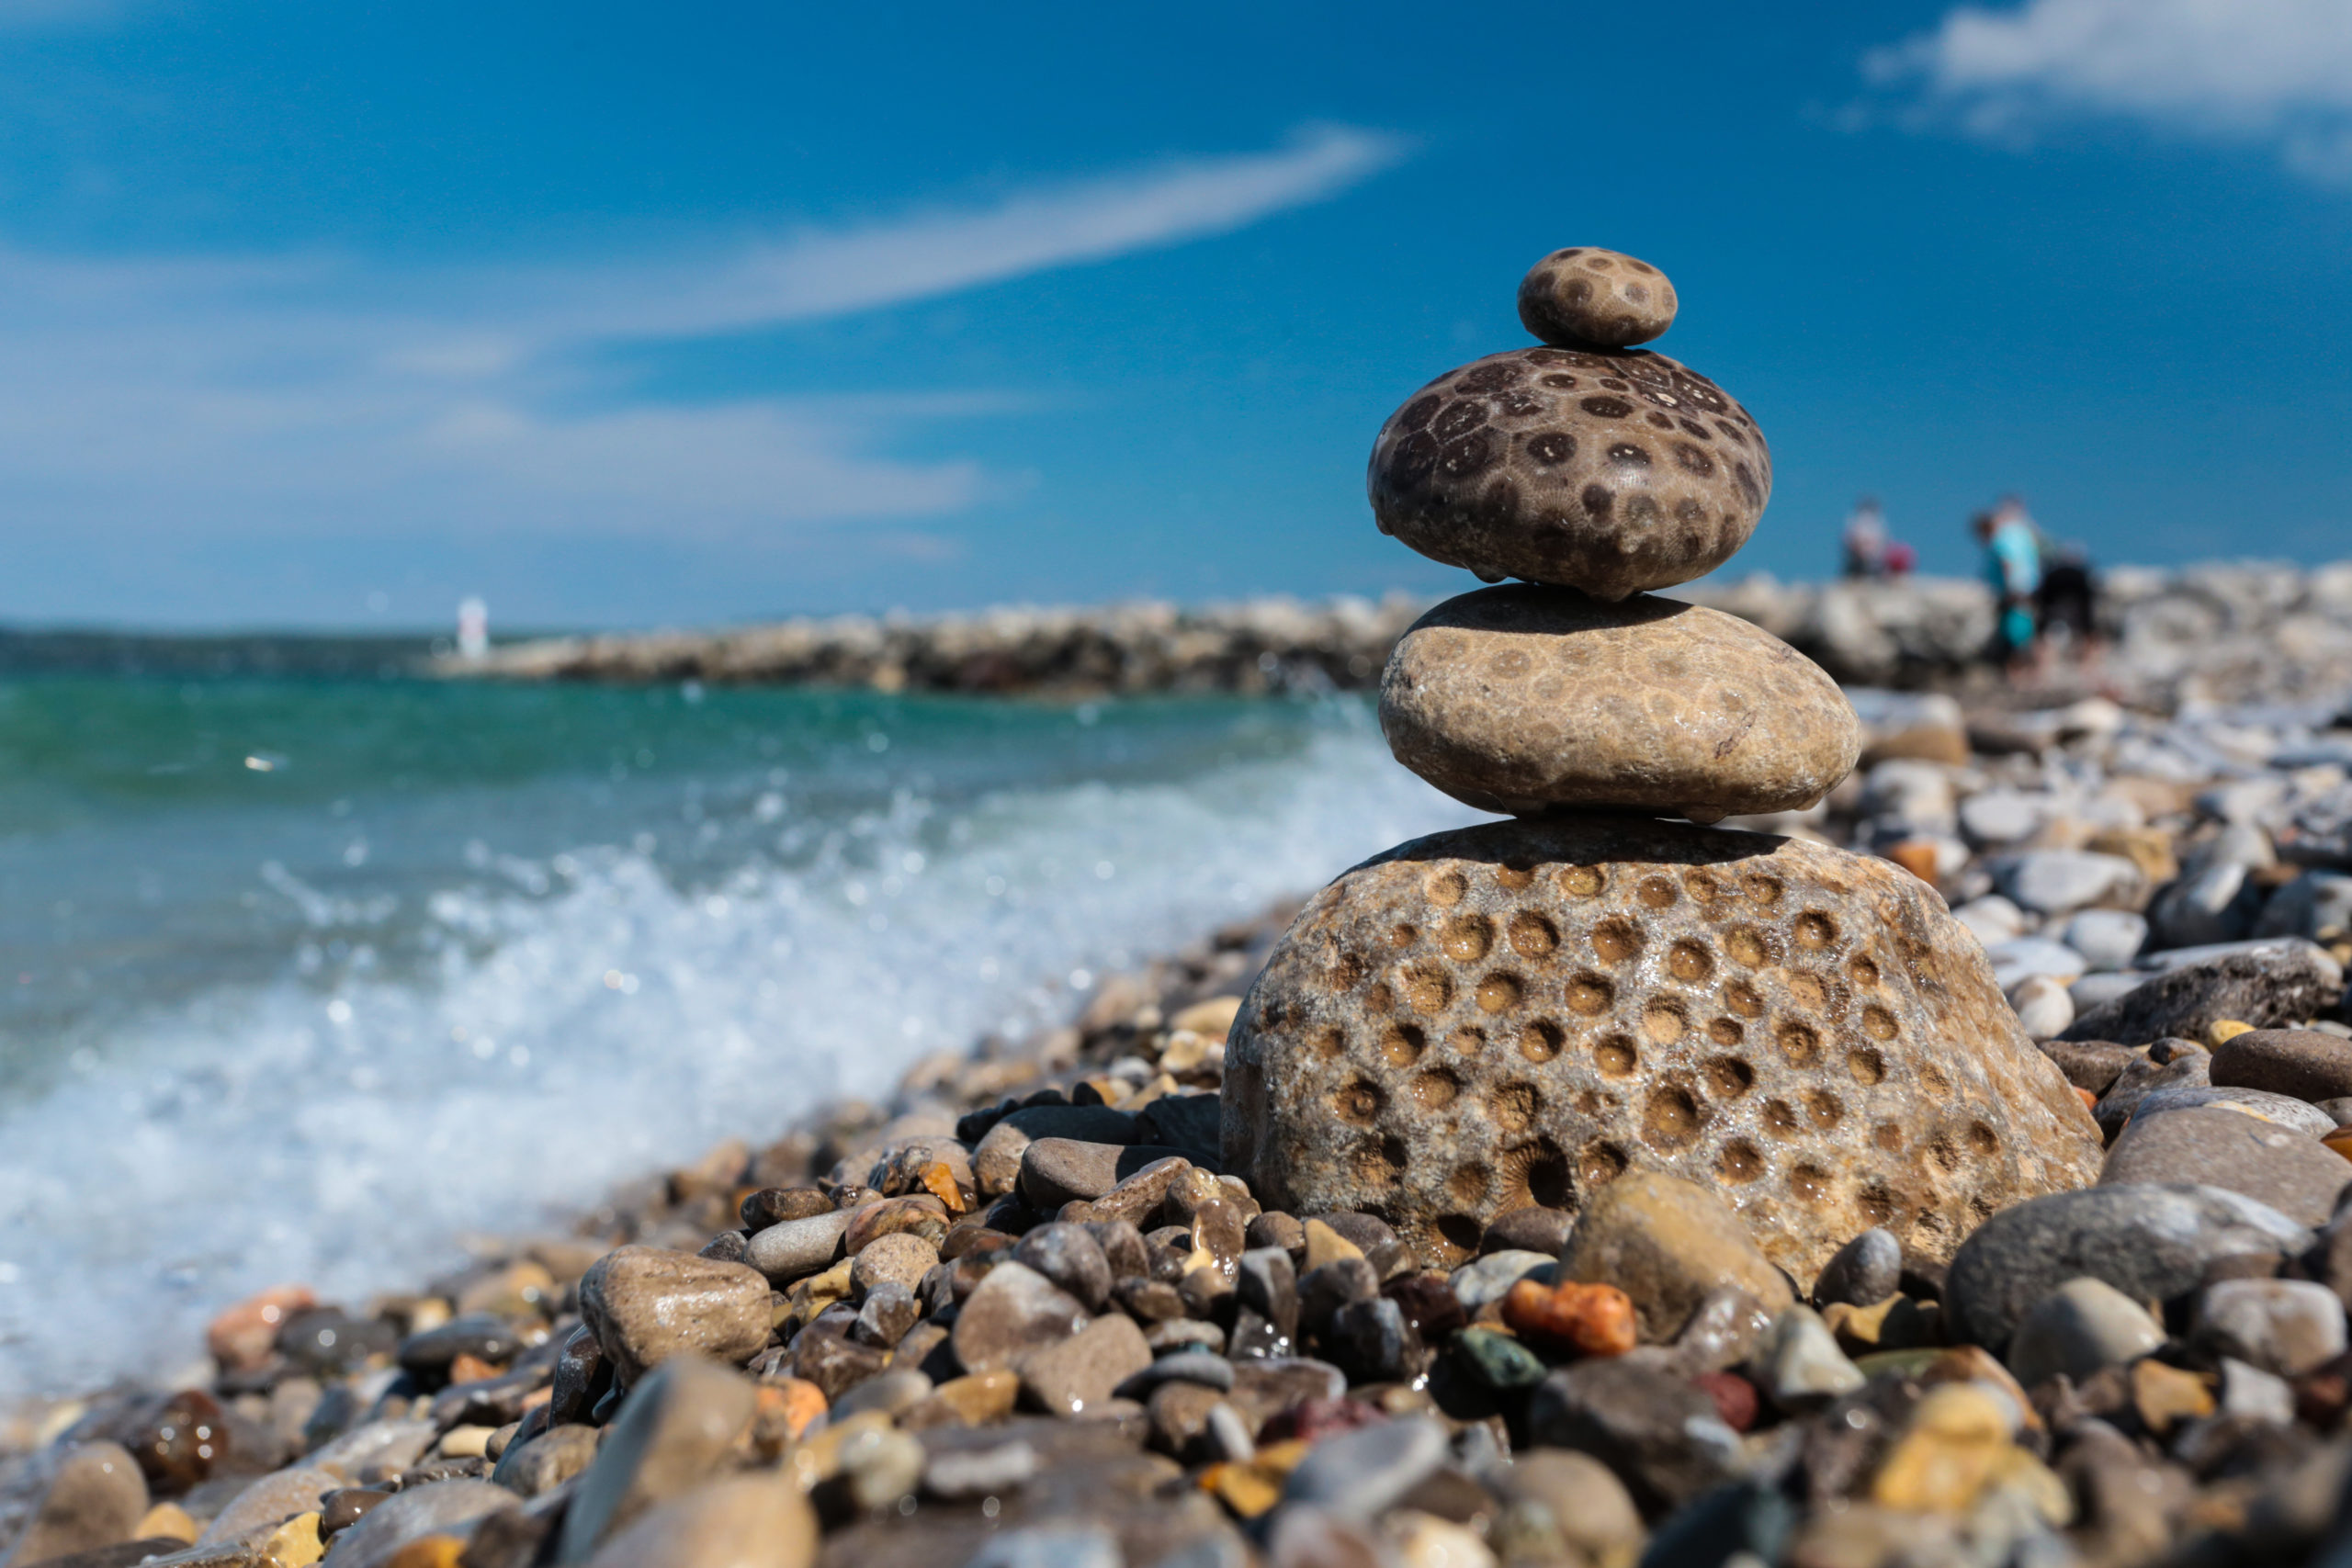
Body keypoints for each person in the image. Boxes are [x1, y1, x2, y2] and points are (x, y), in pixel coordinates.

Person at [1973, 497, 2042, 675]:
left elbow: (2008, 563)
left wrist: (2012, 588)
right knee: (2023, 631)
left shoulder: (2002, 538)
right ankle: (2026, 672)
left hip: (2015, 592)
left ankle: (2021, 673)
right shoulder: (2023, 532)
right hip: (2026, 588)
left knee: (2016, 633)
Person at [1841, 496, 1888, 579]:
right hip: (1857, 559)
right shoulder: (1855, 520)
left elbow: (1883, 541)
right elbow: (1850, 539)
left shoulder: (1879, 522)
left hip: (1875, 560)